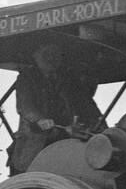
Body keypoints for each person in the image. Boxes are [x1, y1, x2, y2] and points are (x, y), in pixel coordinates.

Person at [8, 40, 104, 172]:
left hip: (64, 142)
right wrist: (39, 119)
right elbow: (25, 106)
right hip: (34, 143)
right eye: (46, 54)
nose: (51, 58)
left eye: (55, 54)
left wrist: (101, 126)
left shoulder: (68, 80)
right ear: (35, 56)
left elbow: (86, 105)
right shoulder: (26, 79)